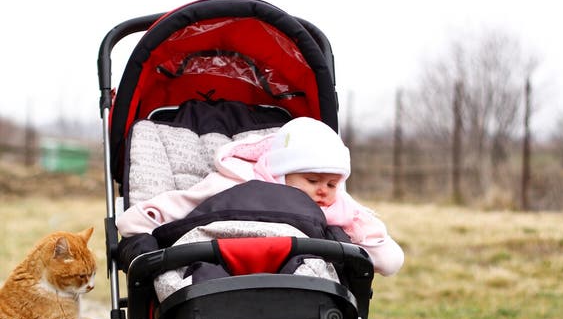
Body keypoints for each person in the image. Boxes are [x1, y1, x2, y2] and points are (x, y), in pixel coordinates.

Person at [116, 117, 404, 277]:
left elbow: (388, 262)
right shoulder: (236, 181)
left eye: (332, 183)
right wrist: (143, 220)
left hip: (299, 282)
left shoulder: (337, 205)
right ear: (280, 172)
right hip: (224, 268)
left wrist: (368, 237)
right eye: (313, 180)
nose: (323, 191)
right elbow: (185, 203)